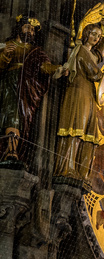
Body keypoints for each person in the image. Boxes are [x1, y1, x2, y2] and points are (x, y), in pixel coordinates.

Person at [0, 14, 64, 165]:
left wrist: (57, 69)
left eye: (33, 30)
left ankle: (14, 150)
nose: (30, 32)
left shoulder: (36, 52)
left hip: (27, 90)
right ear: (19, 28)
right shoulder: (8, 45)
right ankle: (10, 151)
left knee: (22, 119)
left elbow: (44, 67)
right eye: (27, 27)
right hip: (9, 84)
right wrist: (5, 55)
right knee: (11, 115)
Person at [55, 4, 104, 180]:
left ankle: (82, 172)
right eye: (93, 34)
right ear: (86, 33)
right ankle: (67, 167)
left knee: (88, 134)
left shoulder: (92, 53)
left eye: (98, 36)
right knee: (76, 129)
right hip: (79, 93)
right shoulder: (81, 51)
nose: (96, 38)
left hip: (89, 95)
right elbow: (94, 72)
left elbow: (99, 54)